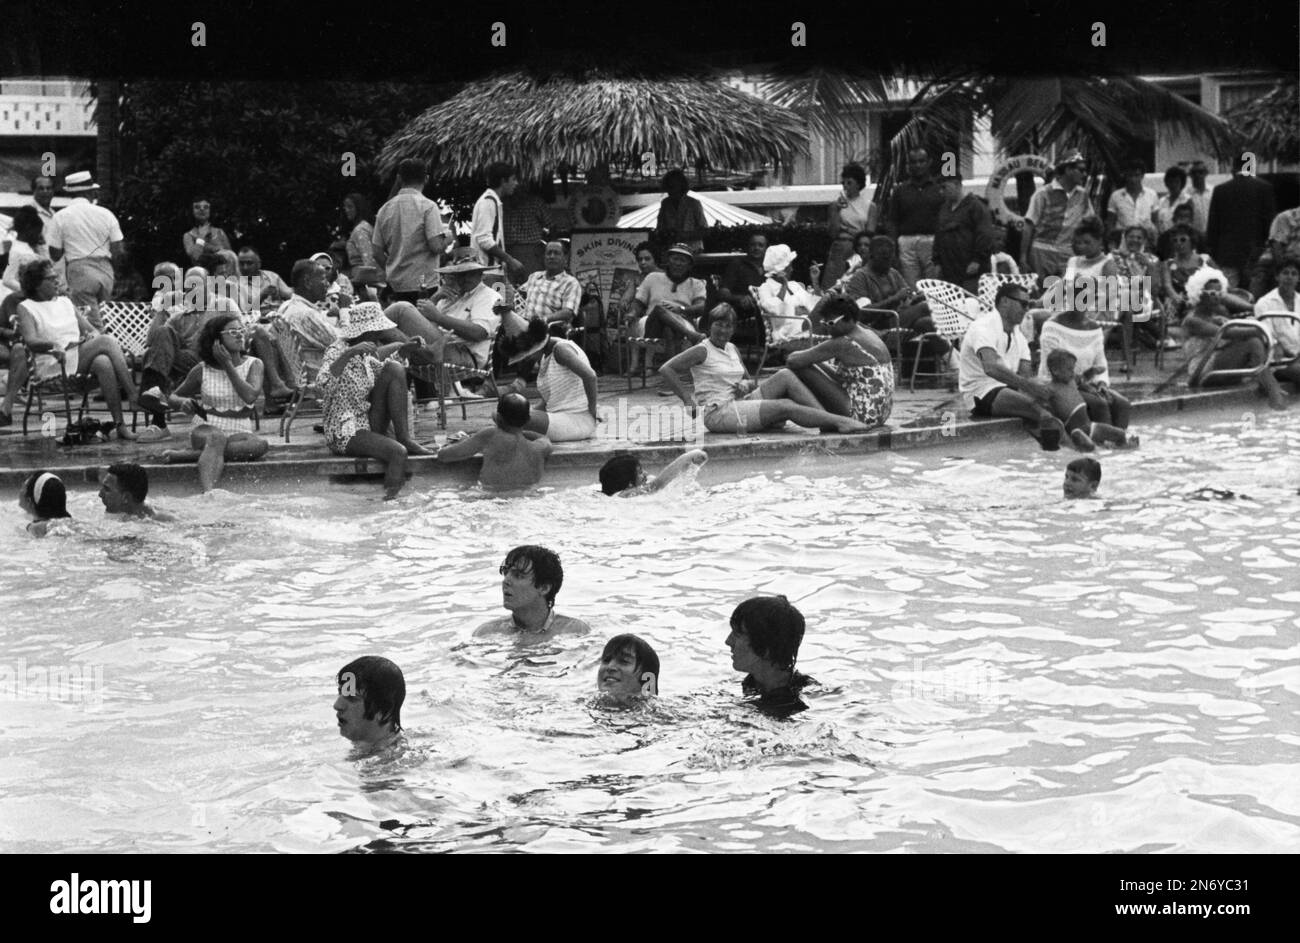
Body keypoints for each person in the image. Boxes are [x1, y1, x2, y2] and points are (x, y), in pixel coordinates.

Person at [659, 303, 869, 435]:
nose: (723, 330)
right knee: (785, 405)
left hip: (739, 402)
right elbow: (667, 369)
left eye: (728, 326)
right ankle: (840, 422)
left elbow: (751, 381)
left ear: (734, 329)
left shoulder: (732, 348)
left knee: (785, 375)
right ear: (709, 325)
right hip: (718, 413)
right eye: (718, 324)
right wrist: (689, 400)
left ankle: (825, 421)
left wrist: (745, 384)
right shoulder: (702, 350)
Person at [318, 303, 432, 500]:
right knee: (398, 453)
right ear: (365, 332)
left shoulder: (368, 352)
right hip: (344, 429)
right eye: (376, 331)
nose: (380, 335)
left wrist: (405, 350)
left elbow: (382, 372)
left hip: (365, 419)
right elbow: (322, 383)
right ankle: (389, 503)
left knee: (395, 368)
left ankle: (404, 436)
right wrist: (349, 354)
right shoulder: (337, 350)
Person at [15, 258, 139, 440]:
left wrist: (89, 338)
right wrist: (52, 345)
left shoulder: (65, 302)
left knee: (103, 361)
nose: (57, 281)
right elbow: (31, 340)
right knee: (106, 341)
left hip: (76, 357)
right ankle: (134, 396)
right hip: (54, 362)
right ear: (36, 284)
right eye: (51, 278)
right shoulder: (26, 307)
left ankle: (120, 425)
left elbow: (92, 331)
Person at [160, 314, 270, 490]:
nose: (240, 335)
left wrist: (227, 364)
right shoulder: (203, 369)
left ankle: (190, 456)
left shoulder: (254, 364)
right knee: (216, 438)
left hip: (239, 429)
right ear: (216, 340)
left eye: (241, 330)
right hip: (207, 426)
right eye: (232, 332)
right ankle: (209, 493)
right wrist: (183, 402)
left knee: (259, 445)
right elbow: (172, 397)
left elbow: (249, 396)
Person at [137, 266, 248, 441]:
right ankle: (155, 396)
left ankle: (156, 414)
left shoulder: (224, 305)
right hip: (185, 362)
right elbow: (152, 341)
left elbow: (242, 336)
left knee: (159, 356)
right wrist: (162, 310)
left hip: (214, 359)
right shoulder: (179, 314)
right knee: (162, 336)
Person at [957, 282, 1064, 448]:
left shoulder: (1018, 335)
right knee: (1042, 413)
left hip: (1006, 388)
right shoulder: (982, 327)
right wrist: (1029, 387)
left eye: (1029, 305)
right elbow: (991, 367)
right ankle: (1056, 454)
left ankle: (1052, 451)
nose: (1027, 309)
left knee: (1058, 402)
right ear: (1005, 302)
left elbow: (1026, 374)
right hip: (980, 392)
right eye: (1023, 304)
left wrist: (1047, 388)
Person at [1037, 276, 1133, 430]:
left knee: (1122, 404)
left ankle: (1119, 442)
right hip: (1058, 385)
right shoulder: (1052, 326)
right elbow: (1054, 370)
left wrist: (1102, 384)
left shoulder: (1094, 328)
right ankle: (1104, 444)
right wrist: (1082, 385)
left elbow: (1101, 364)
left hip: (1089, 384)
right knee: (1099, 404)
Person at [784, 295, 896, 427]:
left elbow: (792, 361)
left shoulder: (844, 342)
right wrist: (815, 360)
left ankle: (825, 421)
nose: (828, 328)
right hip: (880, 414)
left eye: (831, 323)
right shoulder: (869, 334)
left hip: (861, 415)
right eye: (824, 323)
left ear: (849, 319)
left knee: (797, 369)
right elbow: (846, 377)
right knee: (810, 362)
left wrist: (810, 358)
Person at [1181, 273, 1288, 410]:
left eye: (1219, 293)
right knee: (1253, 341)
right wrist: (1267, 332)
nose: (1216, 297)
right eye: (1212, 293)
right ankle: (1274, 394)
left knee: (1253, 337)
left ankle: (1270, 387)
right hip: (1202, 371)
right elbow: (1230, 333)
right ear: (1199, 294)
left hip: (1217, 365)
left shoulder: (1216, 316)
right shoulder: (1192, 320)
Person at [43, 171, 123, 329]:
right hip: (106, 270)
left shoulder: (61, 216)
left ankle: (104, 349)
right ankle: (109, 347)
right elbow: (118, 250)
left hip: (79, 270)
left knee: (90, 323)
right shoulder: (106, 214)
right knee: (105, 318)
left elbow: (55, 254)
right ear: (90, 192)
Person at [503, 315, 599, 441]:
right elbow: (545, 403)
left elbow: (590, 376)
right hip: (557, 417)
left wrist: (593, 412)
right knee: (502, 415)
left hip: (578, 419)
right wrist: (526, 411)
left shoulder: (561, 349)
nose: (526, 360)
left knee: (513, 418)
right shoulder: (545, 357)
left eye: (526, 356)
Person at [435, 392, 552, 491]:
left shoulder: (491, 435)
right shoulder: (540, 448)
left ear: (498, 418)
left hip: (491, 499)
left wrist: (461, 442)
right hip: (527, 500)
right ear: (528, 420)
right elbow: (544, 439)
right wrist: (521, 433)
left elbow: (444, 455)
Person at [372, 158, 449, 302]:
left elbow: (376, 252)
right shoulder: (428, 206)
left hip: (395, 286)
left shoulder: (384, 209)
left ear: (399, 179)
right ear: (426, 179)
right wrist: (448, 238)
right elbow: (436, 246)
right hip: (424, 286)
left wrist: (392, 268)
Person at [473, 545, 591, 637]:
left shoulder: (574, 631)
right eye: (506, 573)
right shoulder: (486, 633)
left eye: (518, 575)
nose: (506, 581)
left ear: (544, 588)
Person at [726, 595, 813, 716]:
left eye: (737, 635)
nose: (728, 641)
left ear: (766, 649)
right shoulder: (750, 684)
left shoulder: (790, 705)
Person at [626, 243, 708, 367]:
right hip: (651, 325)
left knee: (668, 329)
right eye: (675, 259)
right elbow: (638, 303)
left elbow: (701, 307)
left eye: (682, 260)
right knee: (659, 309)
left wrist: (680, 309)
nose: (678, 263)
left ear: (689, 265)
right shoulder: (652, 277)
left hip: (682, 320)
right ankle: (691, 336)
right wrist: (632, 313)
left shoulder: (696, 284)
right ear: (668, 260)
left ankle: (670, 370)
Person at [1042, 349, 1136, 451]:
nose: (1072, 373)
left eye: (1073, 369)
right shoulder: (1051, 389)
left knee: (1102, 442)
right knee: (1120, 434)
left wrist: (1092, 371)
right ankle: (1124, 446)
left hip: (1089, 427)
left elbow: (1083, 377)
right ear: (1055, 371)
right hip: (1081, 427)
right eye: (1069, 369)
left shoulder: (1071, 381)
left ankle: (1091, 444)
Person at [1021, 152, 1095, 279]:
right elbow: (1029, 226)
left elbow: (1089, 223)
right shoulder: (1043, 194)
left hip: (1068, 252)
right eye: (1081, 170)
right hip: (1042, 251)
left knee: (1067, 293)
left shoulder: (1083, 195)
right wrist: (1022, 256)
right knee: (1043, 294)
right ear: (1068, 170)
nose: (1084, 174)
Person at [1206, 160, 1276, 289]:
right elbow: (1270, 223)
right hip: (1256, 252)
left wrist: (1214, 253)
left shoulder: (1220, 190)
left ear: (1233, 169)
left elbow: (1213, 226)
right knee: (1254, 293)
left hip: (1227, 254)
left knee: (1229, 293)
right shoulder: (1264, 188)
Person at [843, 235, 932, 334]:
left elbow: (907, 297)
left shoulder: (892, 273)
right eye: (884, 259)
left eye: (890, 259)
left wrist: (916, 298)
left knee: (926, 322)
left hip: (897, 317)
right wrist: (894, 299)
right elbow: (861, 314)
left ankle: (948, 348)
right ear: (871, 256)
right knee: (925, 307)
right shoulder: (860, 277)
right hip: (876, 326)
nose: (888, 263)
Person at [884, 147, 944, 287]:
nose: (918, 165)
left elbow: (945, 219)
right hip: (907, 242)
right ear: (908, 165)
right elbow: (892, 221)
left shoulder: (938, 189)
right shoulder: (900, 191)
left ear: (929, 162)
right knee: (912, 286)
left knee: (933, 286)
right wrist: (894, 249)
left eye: (921, 161)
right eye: (914, 162)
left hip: (932, 241)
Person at [932, 170, 996, 292]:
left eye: (944, 187)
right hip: (949, 269)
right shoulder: (944, 209)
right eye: (940, 188)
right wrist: (937, 260)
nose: (941, 192)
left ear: (957, 185)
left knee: (971, 302)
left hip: (971, 269)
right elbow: (939, 235)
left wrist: (977, 259)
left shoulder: (976, 206)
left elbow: (985, 235)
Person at [334, 656, 405, 751]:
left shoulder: (390, 763)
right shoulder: (365, 748)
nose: (337, 705)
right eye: (340, 693)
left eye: (351, 698)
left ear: (383, 711)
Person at [823, 163, 876, 288]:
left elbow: (870, 233)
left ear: (858, 184)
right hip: (841, 248)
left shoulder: (870, 206)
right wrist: (836, 210)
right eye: (843, 183)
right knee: (834, 285)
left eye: (849, 183)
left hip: (860, 249)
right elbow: (833, 233)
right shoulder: (835, 205)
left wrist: (847, 229)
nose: (846, 186)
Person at [756, 244, 821, 344]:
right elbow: (773, 308)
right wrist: (784, 286)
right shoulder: (766, 288)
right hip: (789, 333)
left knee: (830, 310)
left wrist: (815, 281)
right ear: (780, 270)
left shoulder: (794, 285)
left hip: (808, 325)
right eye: (789, 267)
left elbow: (815, 305)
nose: (792, 269)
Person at [470, 161, 523, 279]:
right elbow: (484, 239)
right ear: (503, 181)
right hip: (488, 271)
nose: (516, 183)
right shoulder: (488, 202)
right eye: (513, 179)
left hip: (493, 271)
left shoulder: (492, 201)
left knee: (507, 295)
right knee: (499, 296)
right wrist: (510, 260)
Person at [616, 242, 662, 376]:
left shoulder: (663, 276)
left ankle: (648, 365)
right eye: (640, 259)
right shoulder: (637, 278)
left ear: (655, 259)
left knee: (649, 321)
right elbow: (627, 297)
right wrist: (624, 303)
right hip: (638, 314)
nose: (643, 262)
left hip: (658, 316)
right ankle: (634, 364)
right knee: (631, 320)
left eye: (647, 259)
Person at [1254, 255, 1300, 387]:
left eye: (1294, 273)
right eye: (1285, 273)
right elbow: (1269, 339)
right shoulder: (1264, 303)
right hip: (1278, 363)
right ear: (1277, 276)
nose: (1289, 277)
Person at [517, 241, 582, 330]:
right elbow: (519, 294)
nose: (552, 256)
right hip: (524, 326)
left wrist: (544, 319)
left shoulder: (570, 283)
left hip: (549, 329)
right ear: (544, 257)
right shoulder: (535, 276)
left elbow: (568, 312)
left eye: (556, 253)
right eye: (549, 253)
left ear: (565, 258)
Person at [598, 449, 708, 496]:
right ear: (630, 484)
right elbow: (658, 484)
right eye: (640, 472)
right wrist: (690, 456)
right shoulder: (624, 495)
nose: (645, 473)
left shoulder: (618, 493)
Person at [503, 183, 551, 278]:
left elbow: (551, 225)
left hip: (524, 252)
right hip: (514, 251)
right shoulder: (504, 203)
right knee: (529, 284)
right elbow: (551, 225)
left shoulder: (504, 202)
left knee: (526, 283)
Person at [654, 169, 707, 253]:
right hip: (672, 250)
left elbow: (704, 230)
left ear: (682, 186)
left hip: (693, 250)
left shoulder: (694, 203)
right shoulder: (665, 204)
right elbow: (660, 228)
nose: (671, 191)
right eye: (669, 187)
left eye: (673, 187)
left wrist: (684, 235)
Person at [98, 462, 175, 521]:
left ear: (126, 498)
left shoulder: (144, 525)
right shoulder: (145, 508)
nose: (100, 494)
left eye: (107, 489)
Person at [1104, 161, 1159, 243]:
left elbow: (1155, 222)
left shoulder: (1152, 195)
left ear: (1142, 176)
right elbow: (1110, 223)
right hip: (1123, 241)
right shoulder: (1115, 196)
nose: (1133, 179)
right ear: (1125, 176)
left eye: (1136, 175)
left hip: (1145, 241)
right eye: (1130, 175)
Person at [717, 232, 768, 319]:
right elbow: (723, 293)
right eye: (753, 245)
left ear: (766, 249)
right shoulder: (737, 265)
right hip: (744, 314)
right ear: (747, 247)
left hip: (769, 312)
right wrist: (740, 298)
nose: (756, 248)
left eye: (760, 245)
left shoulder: (770, 267)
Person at [596, 634, 660, 700]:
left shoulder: (662, 709)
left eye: (624, 661)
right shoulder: (586, 705)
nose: (610, 667)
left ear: (647, 679)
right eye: (606, 660)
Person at [2, 205, 49, 293]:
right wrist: (31, 292)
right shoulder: (18, 251)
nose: (39, 236)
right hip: (19, 296)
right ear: (29, 230)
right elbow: (7, 280)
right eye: (38, 233)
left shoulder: (27, 248)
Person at [18, 470, 72, 537]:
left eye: (23, 486)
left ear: (29, 501)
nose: (20, 491)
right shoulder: (69, 523)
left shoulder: (34, 528)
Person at [182, 196, 232, 263]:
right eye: (197, 207)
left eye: (206, 207)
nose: (202, 209)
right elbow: (195, 257)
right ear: (191, 211)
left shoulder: (220, 232)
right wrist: (201, 236)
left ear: (210, 211)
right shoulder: (188, 236)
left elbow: (231, 258)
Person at [340, 191, 377, 284]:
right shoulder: (366, 227)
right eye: (345, 207)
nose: (346, 210)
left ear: (359, 208)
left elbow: (369, 261)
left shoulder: (360, 230)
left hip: (364, 281)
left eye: (350, 207)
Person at [1152, 165, 1192, 235]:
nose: (1173, 185)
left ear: (1182, 183)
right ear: (1166, 183)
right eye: (1171, 181)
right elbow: (1157, 221)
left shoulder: (1187, 200)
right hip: (1163, 236)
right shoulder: (1161, 201)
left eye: (1176, 182)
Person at [1185, 160, 1214, 234]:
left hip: (1212, 234)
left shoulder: (1214, 192)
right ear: (1190, 175)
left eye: (1201, 172)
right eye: (1194, 172)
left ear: (1206, 173)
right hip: (1194, 235)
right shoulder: (1185, 195)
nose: (1197, 175)